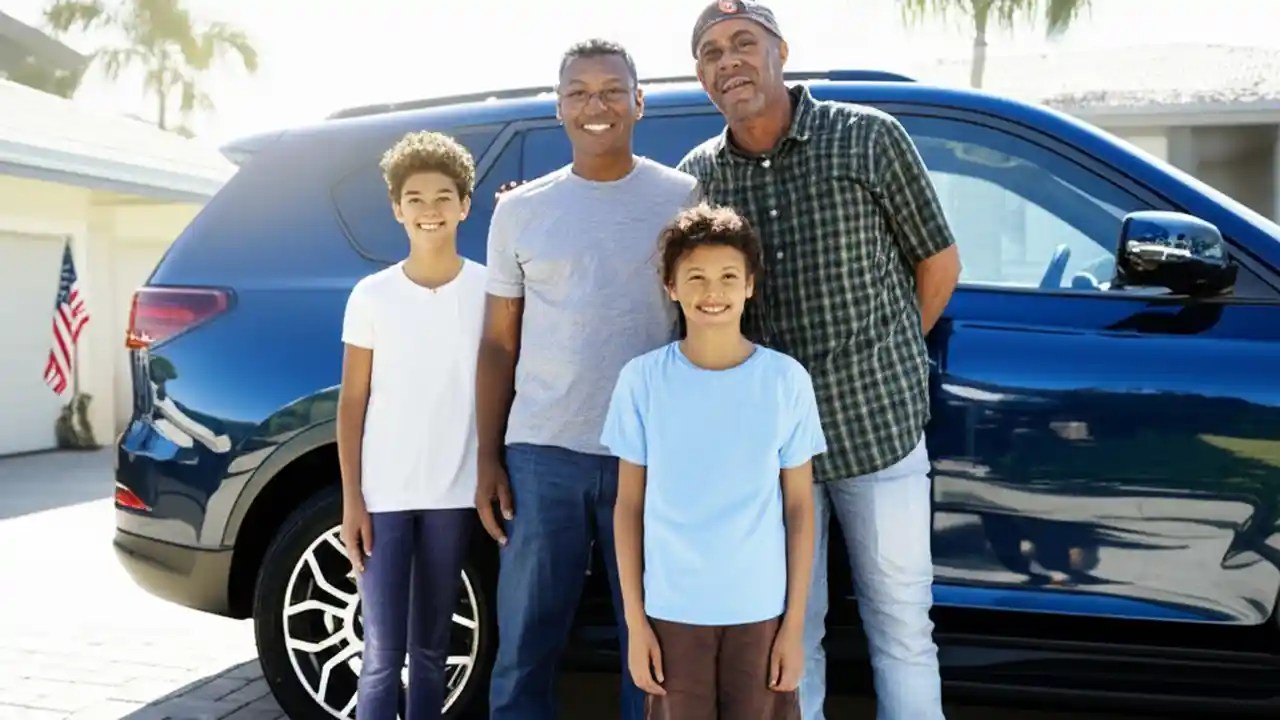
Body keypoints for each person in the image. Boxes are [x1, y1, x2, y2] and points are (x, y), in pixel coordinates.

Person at [676, 2, 963, 719]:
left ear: (781, 51)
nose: (728, 61)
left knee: (901, 629)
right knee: (789, 635)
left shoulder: (867, 139)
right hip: (767, 460)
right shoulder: (697, 179)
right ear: (702, 77)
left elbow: (938, 261)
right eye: (710, 52)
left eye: (744, 43)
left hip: (878, 434)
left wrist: (888, 353)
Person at [475, 39, 700, 720]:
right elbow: (496, 342)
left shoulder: (684, 196)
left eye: (610, 90)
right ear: (559, 106)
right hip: (544, 454)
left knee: (652, 644)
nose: (594, 105)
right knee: (526, 645)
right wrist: (487, 456)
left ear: (639, 100)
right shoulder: (521, 211)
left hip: (651, 456)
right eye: (578, 92)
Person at [603, 203, 826, 720]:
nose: (713, 292)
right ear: (671, 286)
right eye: (696, 277)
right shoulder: (642, 381)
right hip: (671, 613)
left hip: (760, 613)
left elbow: (798, 508)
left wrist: (793, 627)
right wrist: (637, 625)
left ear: (750, 285)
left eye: (729, 277)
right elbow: (627, 506)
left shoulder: (785, 381)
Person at [336, 130, 487, 719]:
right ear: (398, 208)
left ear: (464, 206)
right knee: (380, 653)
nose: (430, 210)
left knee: (430, 651)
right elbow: (353, 402)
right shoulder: (372, 296)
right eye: (416, 198)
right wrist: (353, 499)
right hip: (383, 496)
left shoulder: (486, 290)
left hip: (454, 493)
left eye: (444, 196)